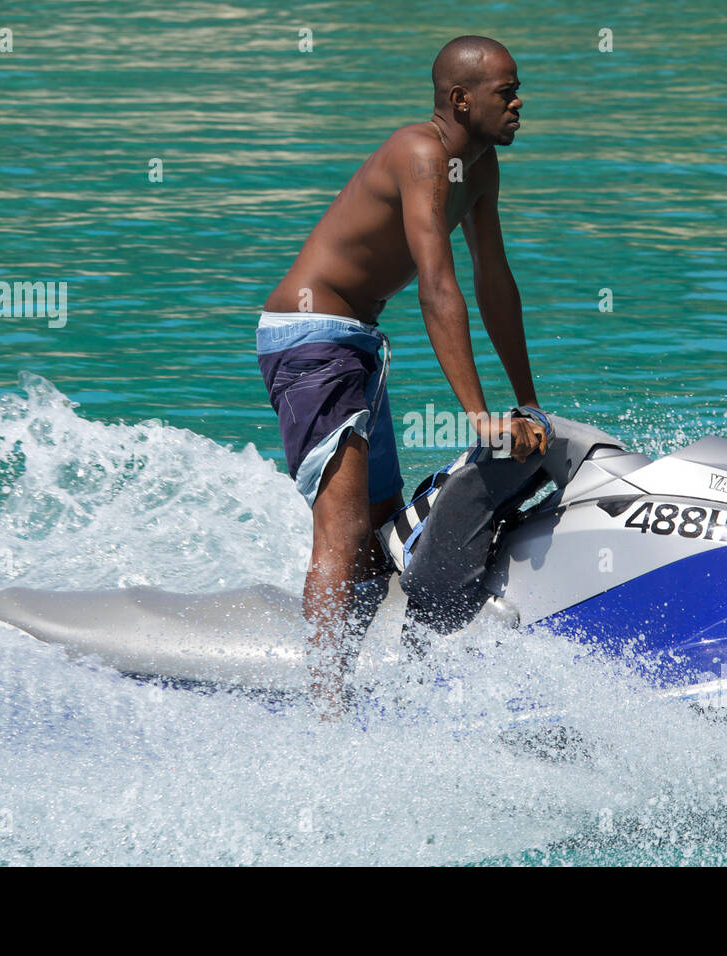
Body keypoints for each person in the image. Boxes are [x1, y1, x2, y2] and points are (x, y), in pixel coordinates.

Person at [257, 35, 547, 714]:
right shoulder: (421, 153)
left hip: (359, 343)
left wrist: (526, 401)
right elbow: (437, 284)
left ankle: (372, 676)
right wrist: (480, 418)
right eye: (506, 92)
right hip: (309, 338)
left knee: (377, 541)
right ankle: (325, 713)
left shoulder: (477, 169)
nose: (518, 103)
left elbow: (493, 282)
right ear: (460, 99)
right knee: (344, 527)